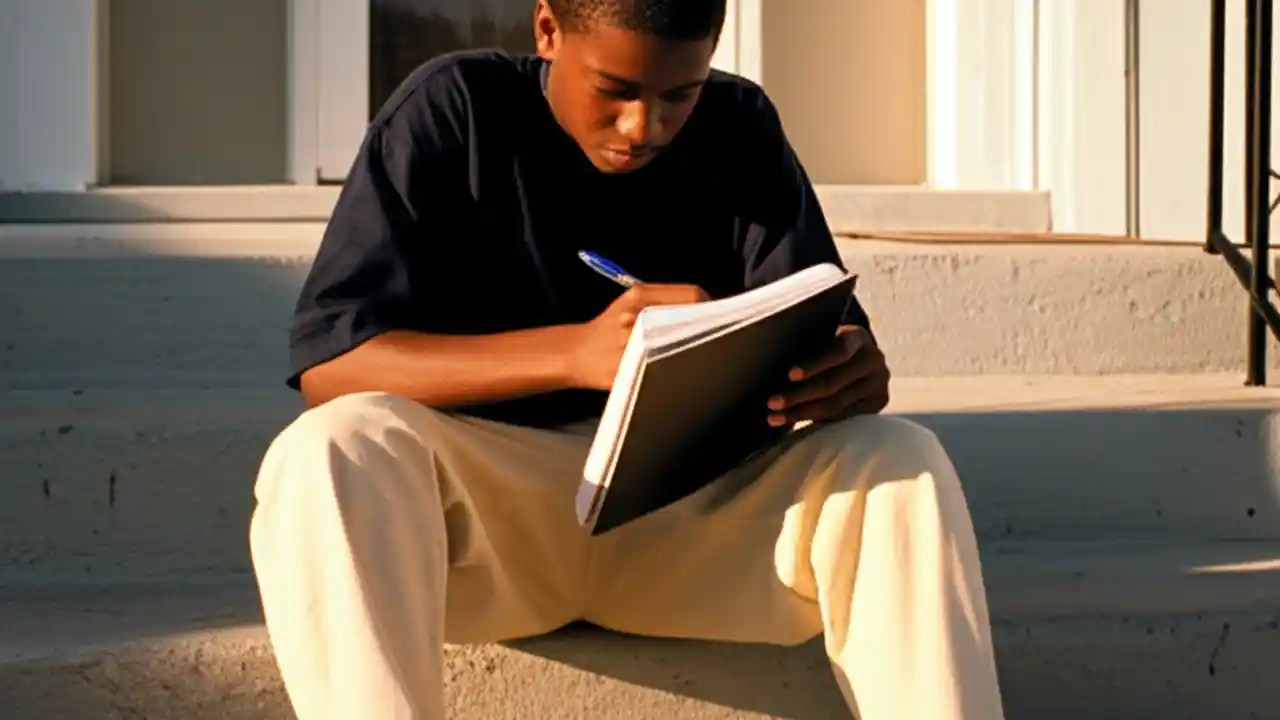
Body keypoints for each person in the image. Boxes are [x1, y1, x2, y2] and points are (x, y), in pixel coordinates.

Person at [248, 0, 1006, 717]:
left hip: (687, 523)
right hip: (490, 535)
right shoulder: (453, 109)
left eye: (681, 94)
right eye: (614, 90)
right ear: (548, 29)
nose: (645, 126)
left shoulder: (740, 124)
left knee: (897, 456)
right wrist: (574, 353)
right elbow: (334, 364)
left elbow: (814, 323)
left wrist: (850, 373)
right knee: (330, 450)